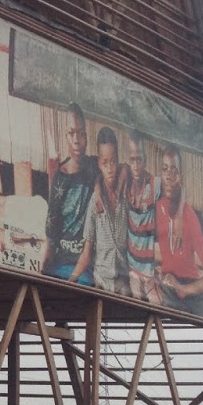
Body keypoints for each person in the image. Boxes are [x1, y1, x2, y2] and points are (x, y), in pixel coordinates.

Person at [69, 126, 129, 293]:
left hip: (125, 284)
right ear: (98, 164)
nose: (109, 168)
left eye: (113, 162)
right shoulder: (94, 203)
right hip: (101, 283)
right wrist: (70, 281)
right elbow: (86, 253)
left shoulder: (127, 194)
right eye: (104, 163)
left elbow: (128, 168)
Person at [42, 104, 97, 283]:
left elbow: (124, 170)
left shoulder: (96, 167)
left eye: (80, 133)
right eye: (71, 133)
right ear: (65, 137)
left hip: (89, 268)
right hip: (62, 265)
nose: (76, 140)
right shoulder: (60, 178)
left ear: (86, 138)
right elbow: (51, 229)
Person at [155, 145, 203, 316]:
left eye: (175, 171)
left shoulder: (190, 218)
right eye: (165, 170)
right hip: (166, 285)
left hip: (188, 289)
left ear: (180, 176)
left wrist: (184, 288)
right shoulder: (158, 207)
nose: (170, 176)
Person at [124, 132, 163, 305]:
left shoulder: (155, 184)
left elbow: (178, 190)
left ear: (145, 160)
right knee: (135, 302)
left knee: (157, 305)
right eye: (132, 160)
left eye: (139, 160)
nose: (136, 165)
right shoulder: (125, 184)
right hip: (131, 269)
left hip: (149, 271)